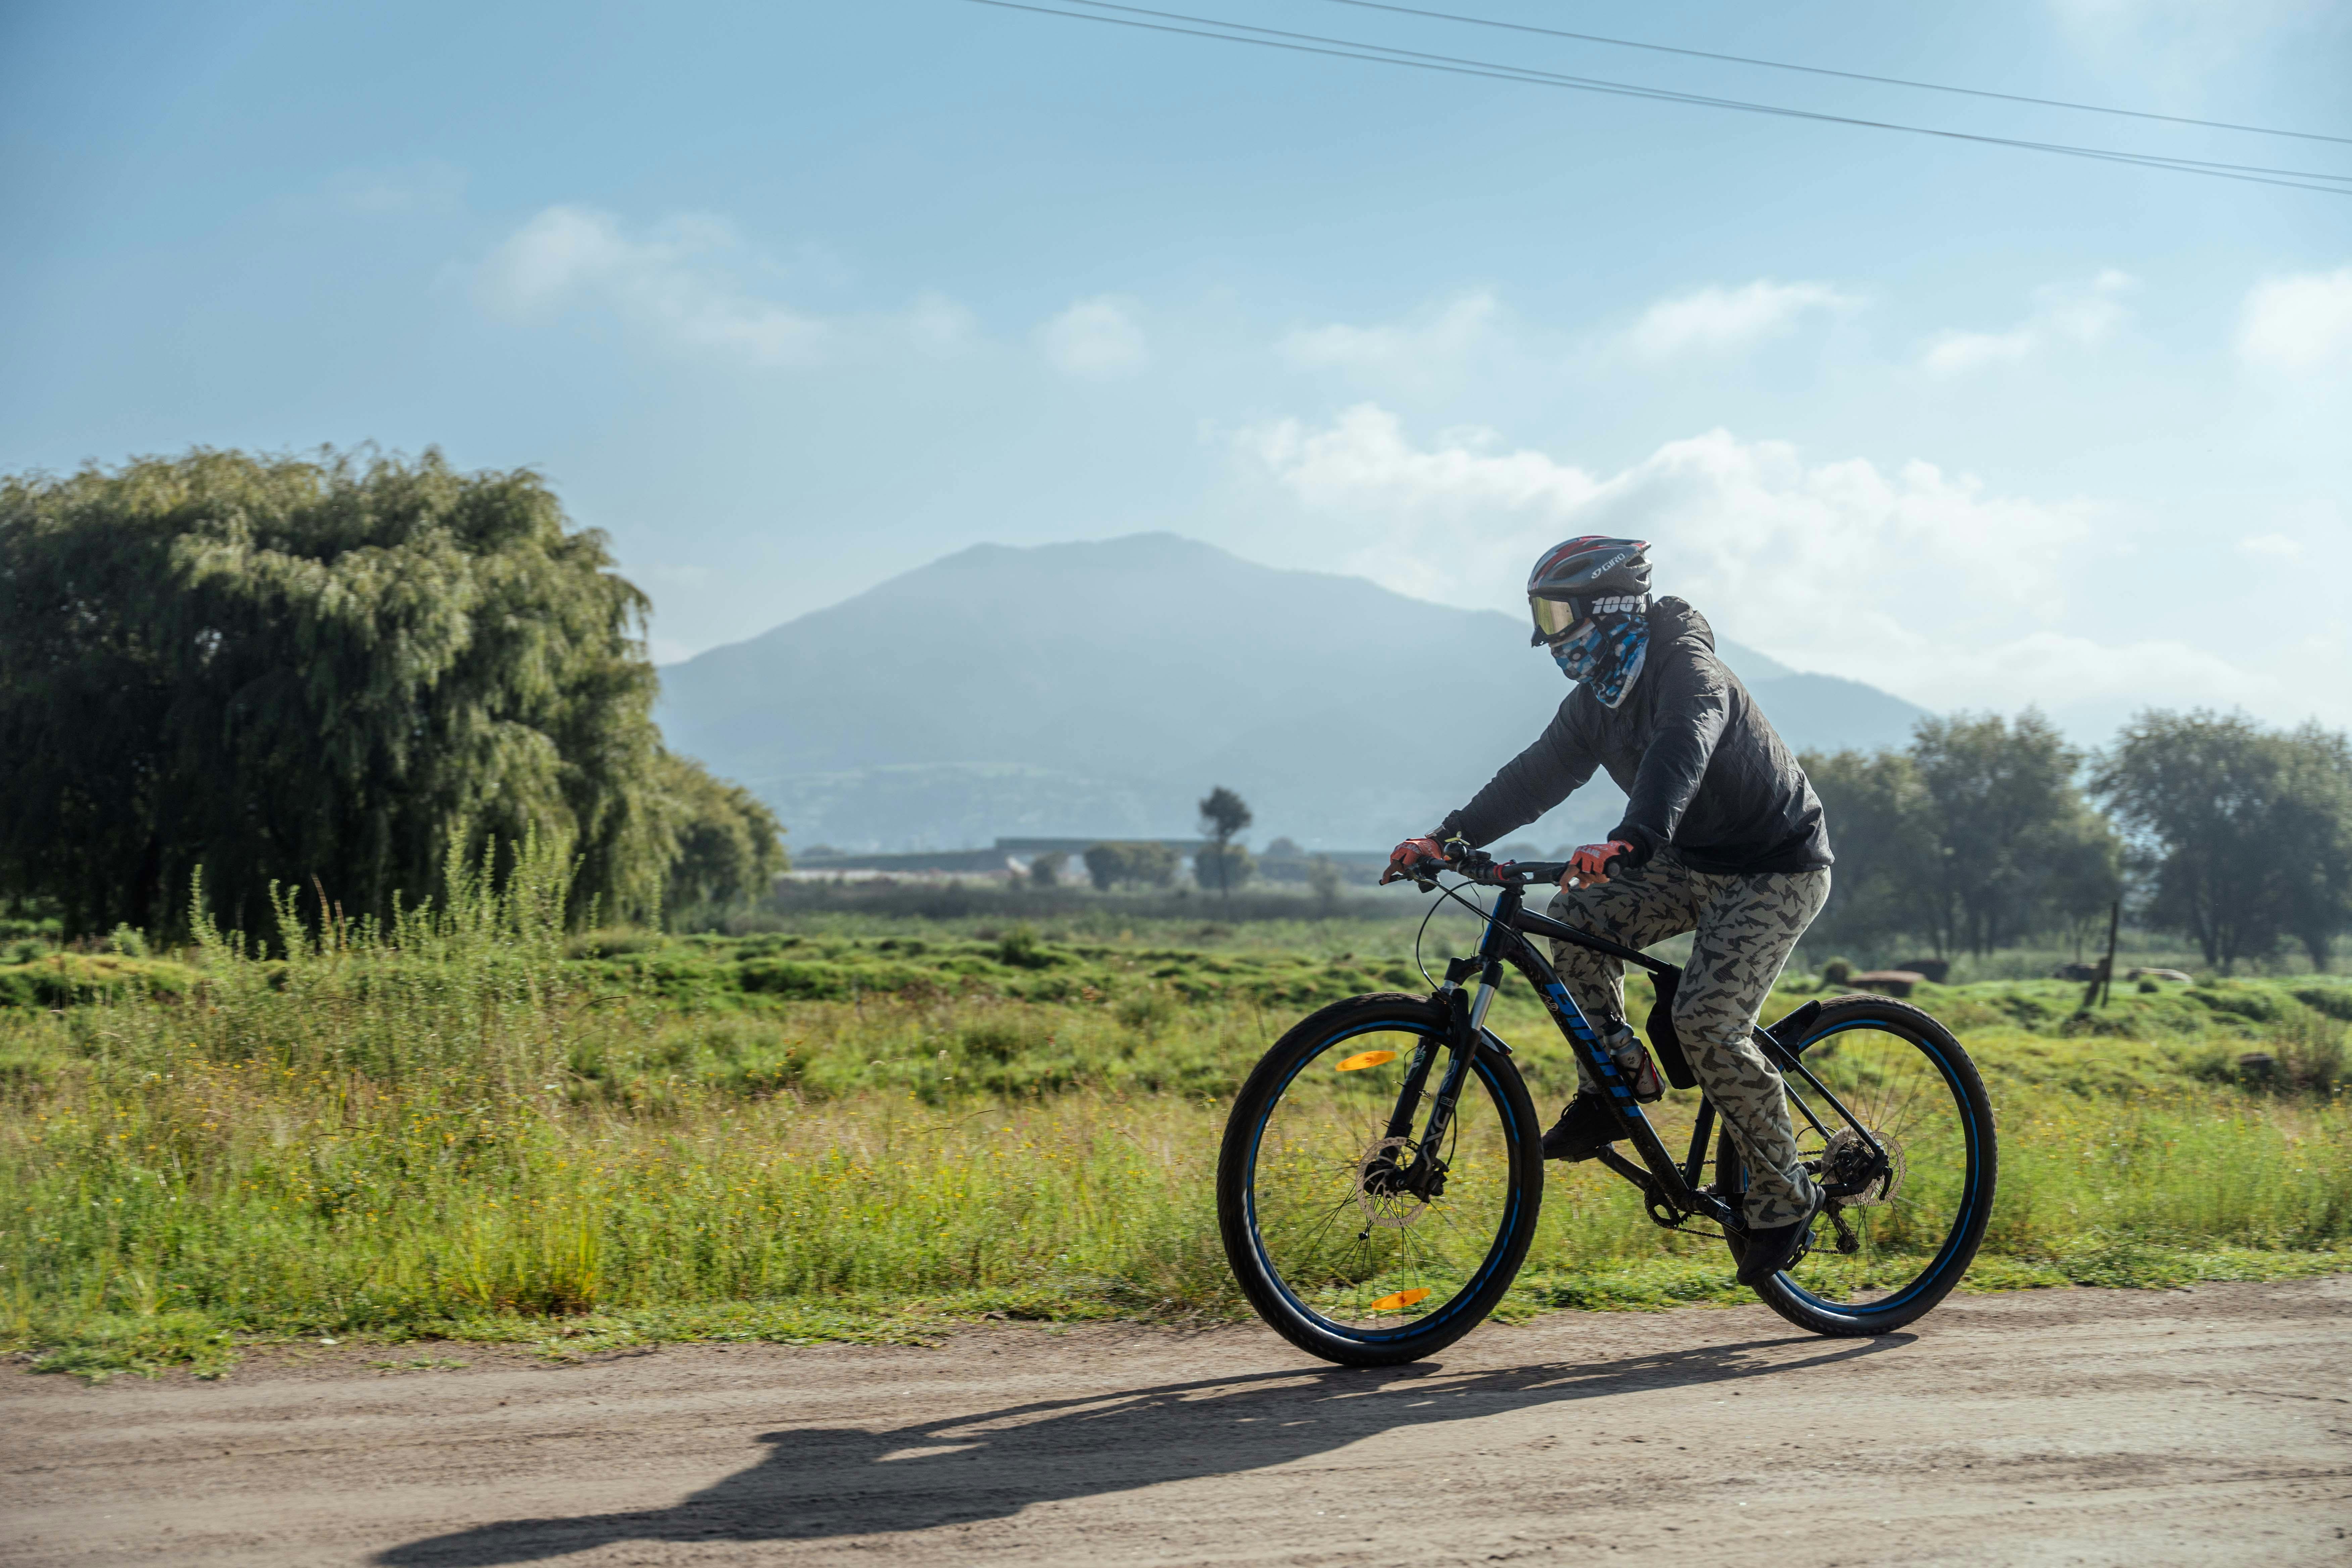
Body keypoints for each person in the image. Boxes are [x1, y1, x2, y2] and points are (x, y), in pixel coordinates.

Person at [1384, 536, 1834, 1285]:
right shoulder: (1597, 697)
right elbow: (1534, 776)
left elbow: (1682, 749)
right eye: (1541, 613)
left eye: (1560, 612)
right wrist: (1445, 836)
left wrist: (1631, 838)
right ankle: (1615, 1079)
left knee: (1706, 1021)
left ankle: (1787, 1197)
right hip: (1685, 861)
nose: (1549, 632)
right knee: (1579, 916)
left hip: (1772, 866)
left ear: (1611, 605)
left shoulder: (1688, 671)